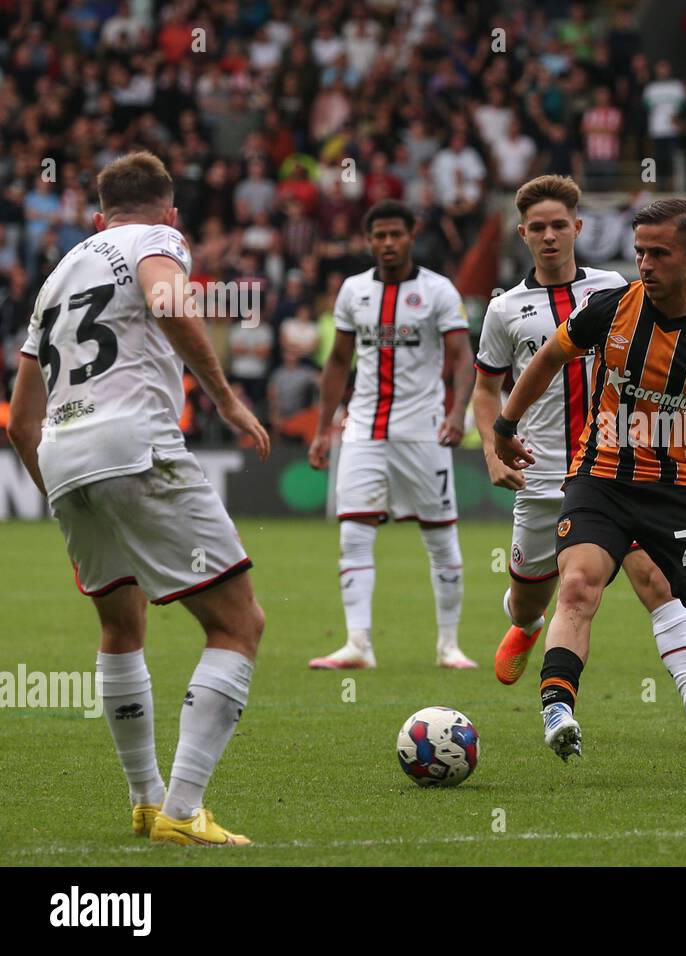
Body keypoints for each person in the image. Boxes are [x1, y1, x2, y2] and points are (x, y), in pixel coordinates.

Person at [7, 151, 270, 845]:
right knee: (237, 624)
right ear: (170, 211)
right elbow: (167, 300)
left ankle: (146, 800)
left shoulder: (57, 275)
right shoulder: (156, 239)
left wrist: (63, 493)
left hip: (64, 459)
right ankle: (183, 809)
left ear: (98, 215)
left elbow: (19, 422)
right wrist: (227, 399)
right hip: (135, 444)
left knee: (121, 627)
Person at [492, 197, 686, 777]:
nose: (645, 265)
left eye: (659, 254)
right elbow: (548, 359)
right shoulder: (609, 309)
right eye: (639, 252)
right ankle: (557, 710)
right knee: (576, 586)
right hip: (598, 479)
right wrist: (505, 425)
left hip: (679, 495)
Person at [306, 200, 476, 670]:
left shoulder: (438, 290)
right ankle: (358, 643)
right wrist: (324, 429)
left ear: (412, 234)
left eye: (395, 235)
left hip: (423, 431)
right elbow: (338, 362)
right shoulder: (352, 290)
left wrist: (457, 412)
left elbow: (462, 357)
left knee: (441, 538)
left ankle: (449, 645)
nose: (387, 243)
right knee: (354, 534)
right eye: (378, 236)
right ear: (368, 240)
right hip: (362, 430)